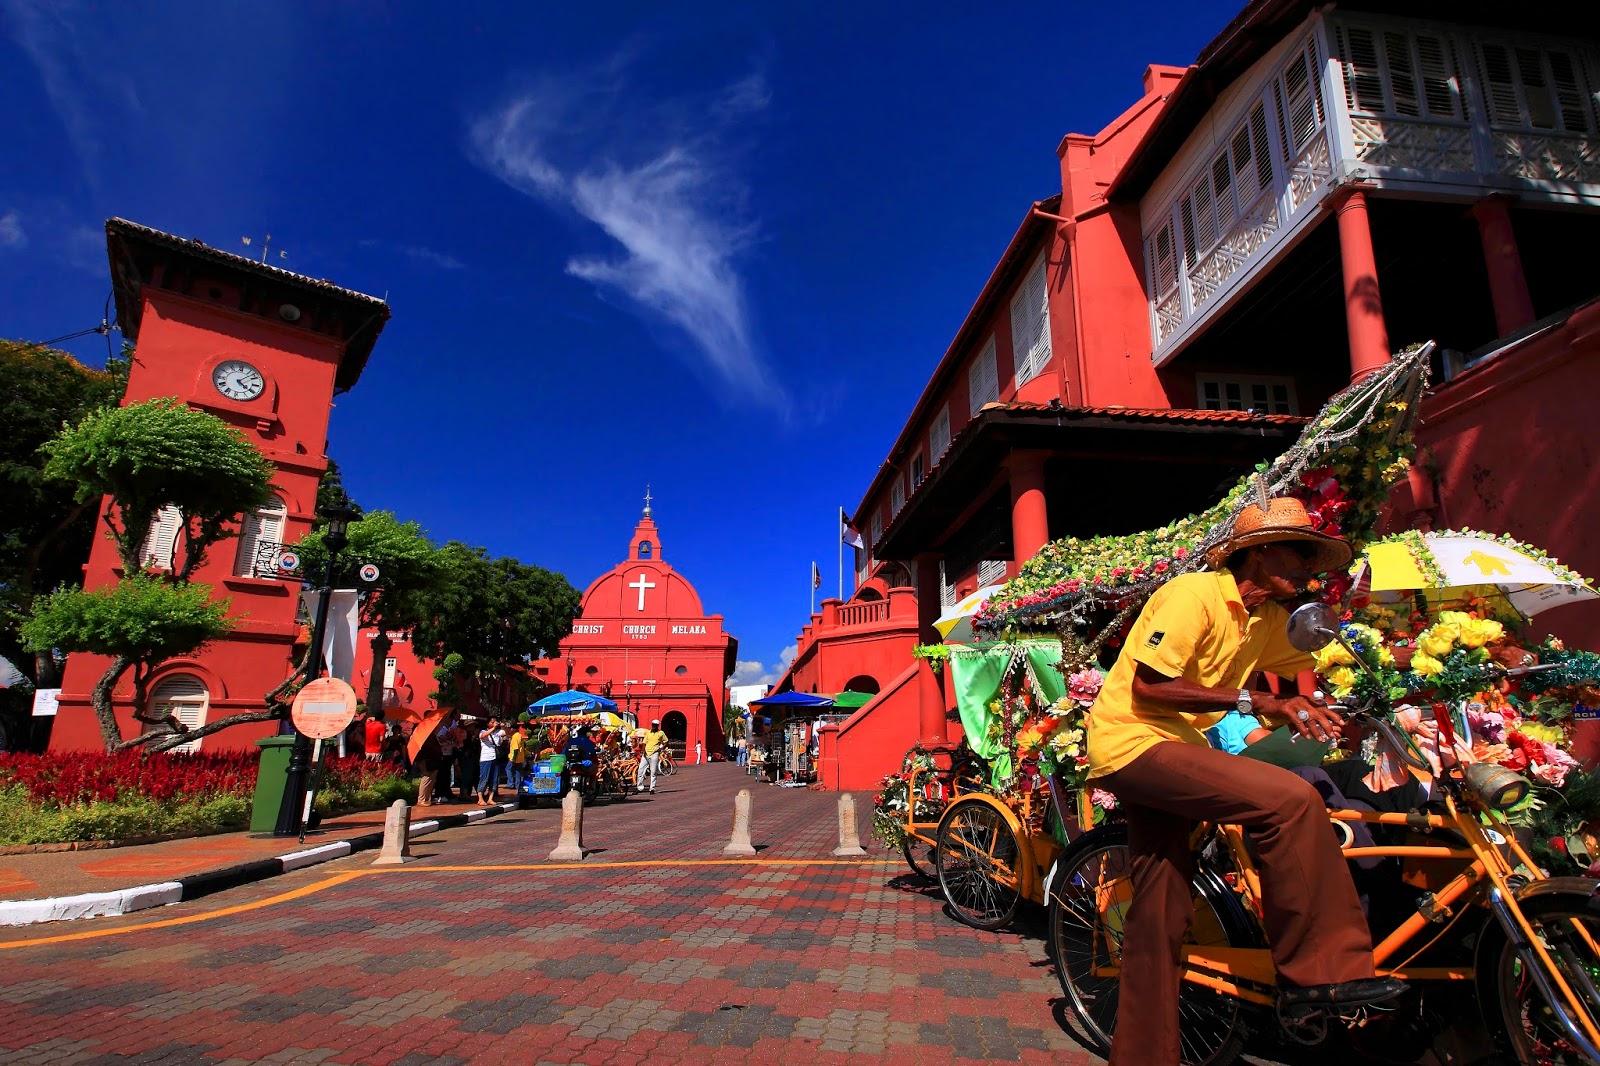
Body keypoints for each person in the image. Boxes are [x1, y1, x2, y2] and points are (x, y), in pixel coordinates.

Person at [1086, 496, 1404, 1065]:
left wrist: (1420, 662)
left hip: (1179, 748)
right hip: (1132, 742)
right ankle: (1319, 974)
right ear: (1258, 554)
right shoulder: (1193, 595)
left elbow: (1321, 660)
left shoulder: (1269, 620)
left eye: (1313, 559)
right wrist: (1258, 700)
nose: (1308, 571)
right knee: (1289, 800)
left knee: (1161, 909)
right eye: (1298, 554)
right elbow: (1150, 687)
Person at [476, 716, 507, 805]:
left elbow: (505, 733)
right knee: (484, 777)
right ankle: (480, 798)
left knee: (494, 778)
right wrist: (493, 728)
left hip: (495, 757)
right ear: (488, 723)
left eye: (495, 722)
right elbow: (483, 736)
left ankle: (490, 798)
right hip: (486, 758)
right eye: (492, 722)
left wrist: (503, 727)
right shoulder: (483, 731)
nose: (494, 723)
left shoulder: (497, 732)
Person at [636, 718, 668, 794]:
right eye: (653, 725)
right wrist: (643, 751)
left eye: (655, 725)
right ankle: (639, 787)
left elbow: (666, 741)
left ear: (657, 725)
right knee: (640, 770)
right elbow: (644, 743)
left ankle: (652, 788)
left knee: (653, 771)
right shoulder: (648, 733)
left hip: (654, 753)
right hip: (646, 754)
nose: (653, 726)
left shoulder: (661, 733)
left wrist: (661, 748)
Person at [506, 721, 530, 795]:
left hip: (514, 757)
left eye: (510, 729)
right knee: (518, 771)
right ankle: (518, 785)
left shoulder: (515, 737)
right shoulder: (519, 735)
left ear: (513, 729)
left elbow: (516, 749)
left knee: (508, 769)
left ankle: (510, 784)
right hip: (520, 757)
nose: (509, 730)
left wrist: (513, 758)